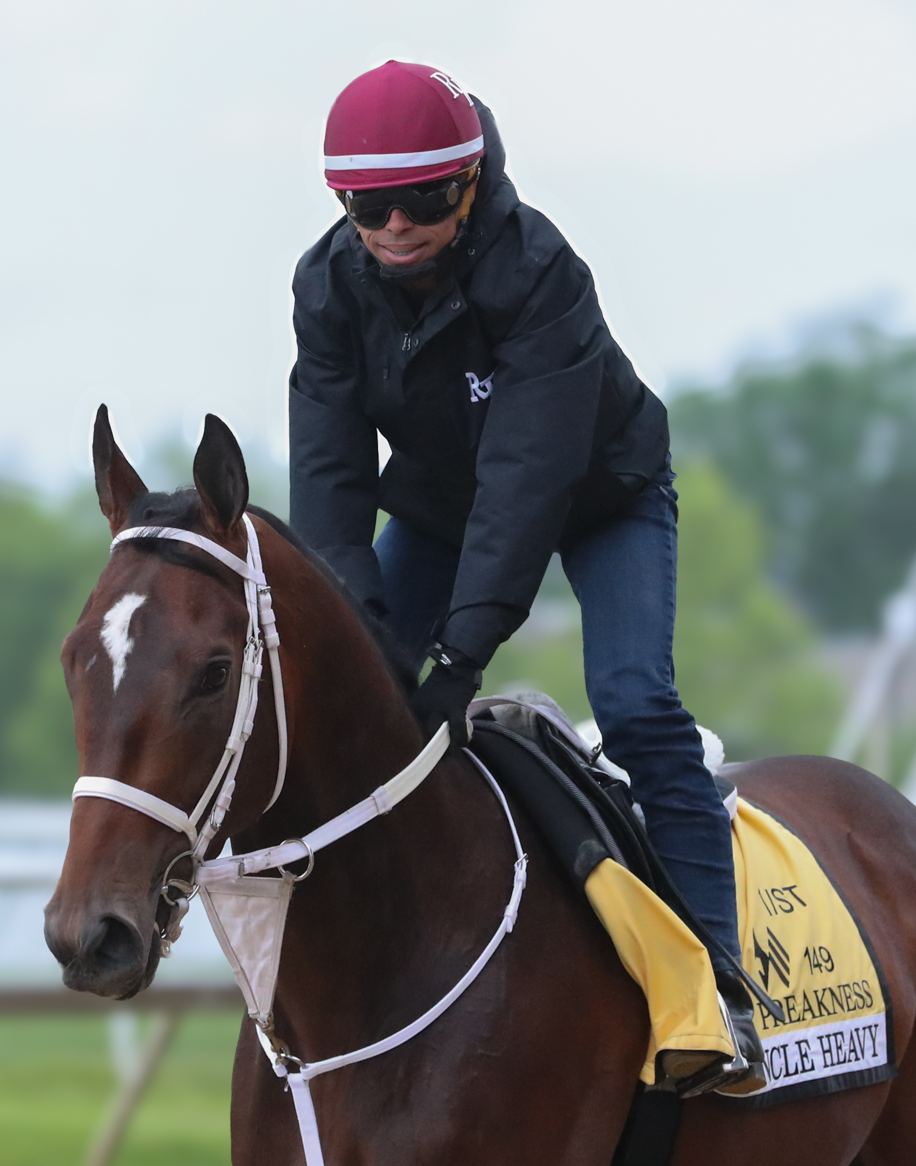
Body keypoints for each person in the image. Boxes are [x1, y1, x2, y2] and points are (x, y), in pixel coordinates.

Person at [287, 60, 764, 1095]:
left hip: (601, 496)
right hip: (437, 505)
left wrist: (460, 652)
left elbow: (524, 484)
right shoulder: (324, 285)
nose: (396, 226)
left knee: (634, 702)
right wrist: (369, 634)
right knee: (368, 702)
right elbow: (327, 485)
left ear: (469, 185)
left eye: (422, 199)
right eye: (369, 204)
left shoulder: (540, 269)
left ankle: (719, 988)